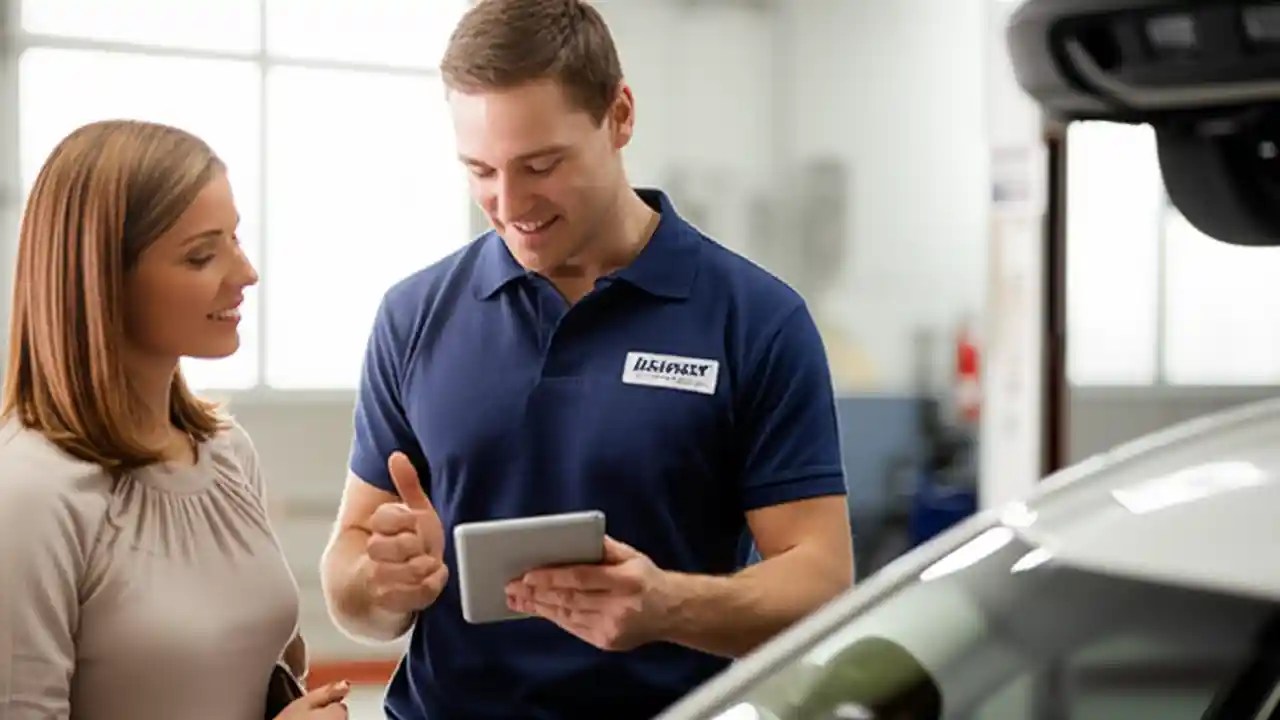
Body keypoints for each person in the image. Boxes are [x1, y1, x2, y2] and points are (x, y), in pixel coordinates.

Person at [319, 0, 855, 717]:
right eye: (480, 170)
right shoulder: (413, 316)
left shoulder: (756, 320)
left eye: (540, 165)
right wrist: (382, 583)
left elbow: (821, 581)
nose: (509, 204)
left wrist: (670, 605)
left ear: (620, 115)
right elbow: (353, 578)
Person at [0, 119, 349, 720]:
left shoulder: (227, 452)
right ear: (105, 278)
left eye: (235, 240)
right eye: (200, 255)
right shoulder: (31, 493)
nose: (244, 274)